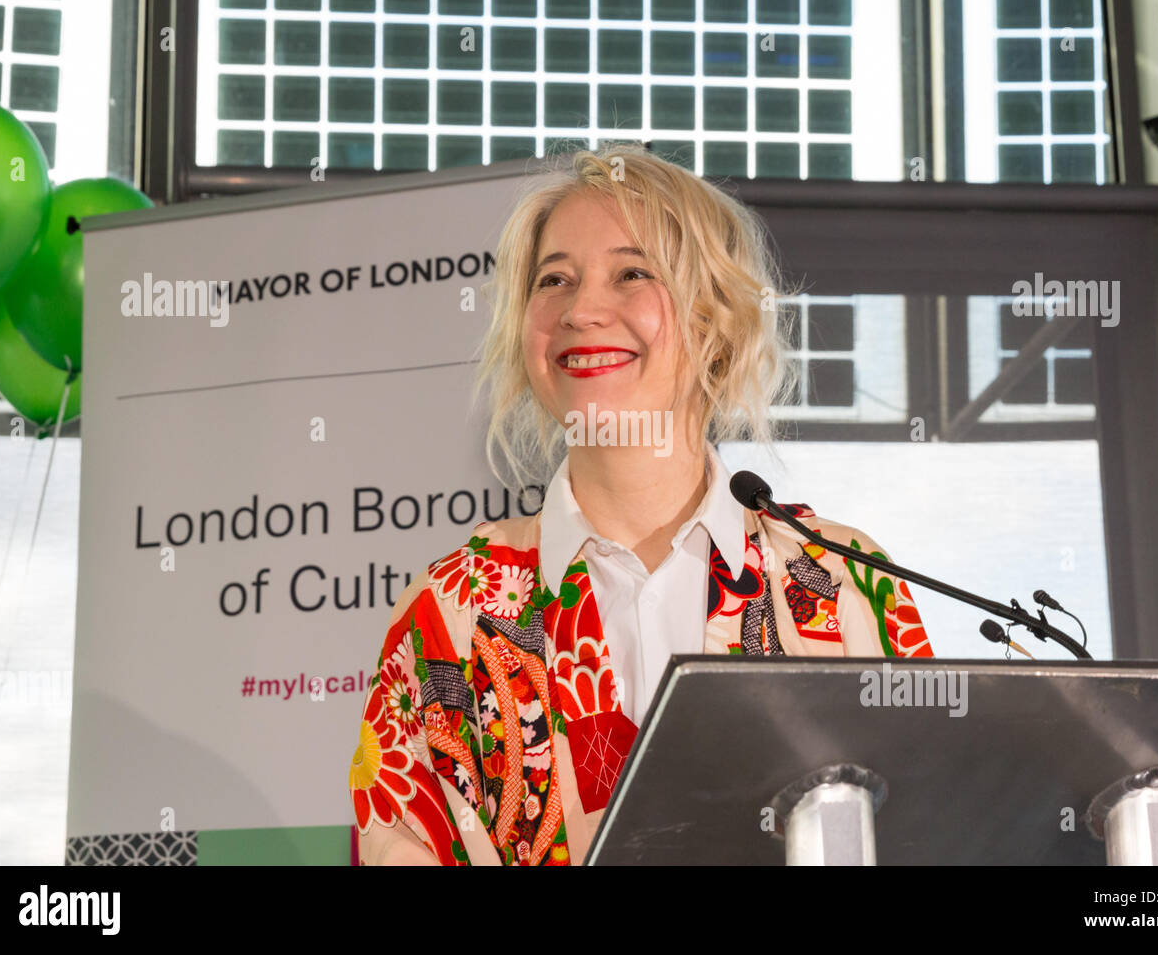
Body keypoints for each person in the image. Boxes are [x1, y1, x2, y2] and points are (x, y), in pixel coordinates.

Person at [348, 144, 934, 866]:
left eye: (632, 274)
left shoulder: (844, 582)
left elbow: (920, 833)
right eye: (553, 280)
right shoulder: (447, 613)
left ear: (716, 324)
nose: (582, 309)